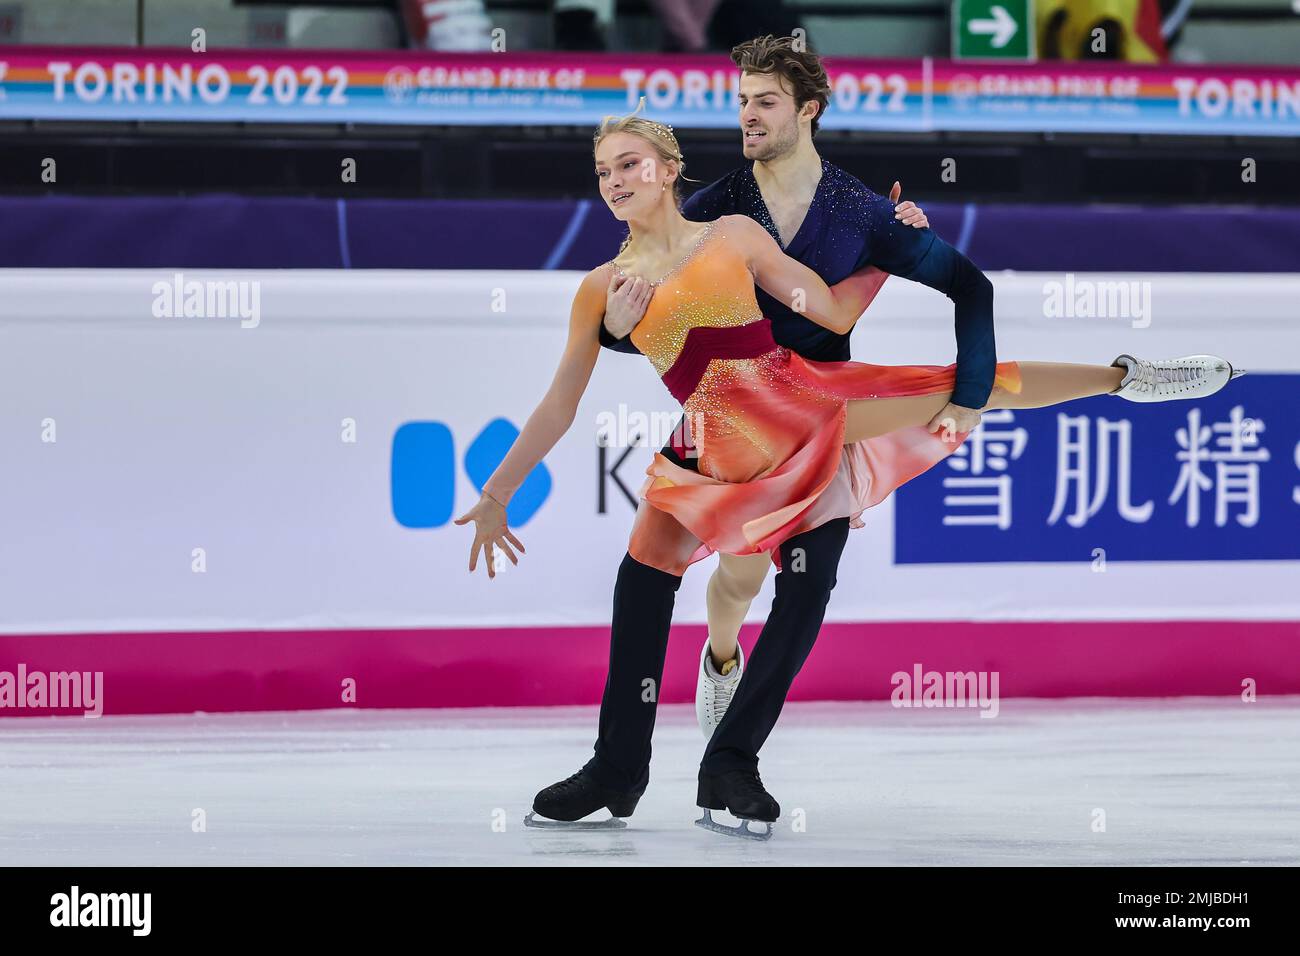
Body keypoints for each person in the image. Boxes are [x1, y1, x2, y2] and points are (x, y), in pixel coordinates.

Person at [455, 104, 1239, 834]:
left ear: (667, 167)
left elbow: (828, 312)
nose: (616, 182)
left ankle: (1126, 377)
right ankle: (615, 769)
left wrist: (887, 249)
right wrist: (497, 494)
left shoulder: (730, 236)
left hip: (799, 408)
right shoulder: (600, 290)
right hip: (705, 451)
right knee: (641, 584)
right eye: (602, 172)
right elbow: (559, 403)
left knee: (966, 392)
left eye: (629, 164)